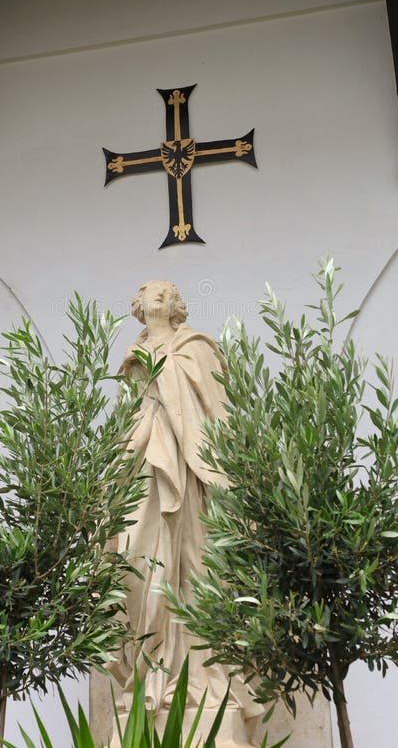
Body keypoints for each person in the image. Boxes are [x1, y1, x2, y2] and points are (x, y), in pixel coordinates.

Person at [111, 279, 261, 726]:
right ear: (138, 306)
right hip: (145, 464)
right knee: (139, 562)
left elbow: (220, 411)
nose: (157, 293)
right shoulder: (131, 356)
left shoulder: (197, 347)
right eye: (149, 290)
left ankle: (205, 672)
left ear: (177, 305)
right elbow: (128, 413)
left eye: (166, 290)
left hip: (193, 472)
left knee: (196, 565)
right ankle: (150, 676)